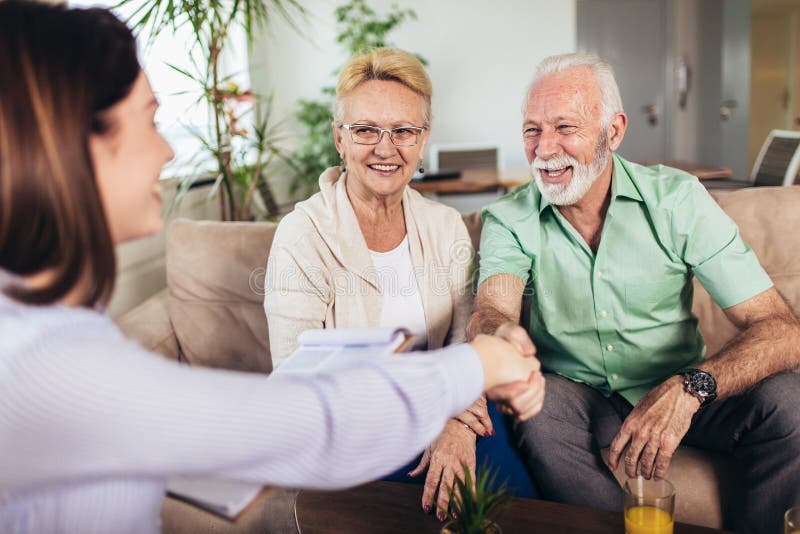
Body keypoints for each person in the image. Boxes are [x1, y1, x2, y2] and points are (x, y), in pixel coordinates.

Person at [0, 3, 545, 532]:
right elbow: (302, 421)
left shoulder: (57, 322)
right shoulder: (40, 361)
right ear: (72, 143)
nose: (168, 151)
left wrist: (462, 393)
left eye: (403, 131)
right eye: (149, 120)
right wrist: (481, 364)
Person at [467, 52, 800, 534]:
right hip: (581, 398)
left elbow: (782, 330)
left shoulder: (678, 201)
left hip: (680, 386)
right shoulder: (510, 219)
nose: (544, 149)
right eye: (532, 130)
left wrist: (692, 387)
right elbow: (493, 309)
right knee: (538, 408)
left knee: (789, 400)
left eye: (565, 127)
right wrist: (499, 333)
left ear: (614, 131)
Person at [265, 47, 542, 520]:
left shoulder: (445, 226)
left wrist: (455, 415)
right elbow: (298, 385)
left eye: (404, 131)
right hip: (356, 431)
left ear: (423, 138)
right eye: (366, 129)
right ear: (339, 139)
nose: (385, 147)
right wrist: (426, 416)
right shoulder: (302, 235)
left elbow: (464, 334)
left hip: (454, 408)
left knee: (522, 512)